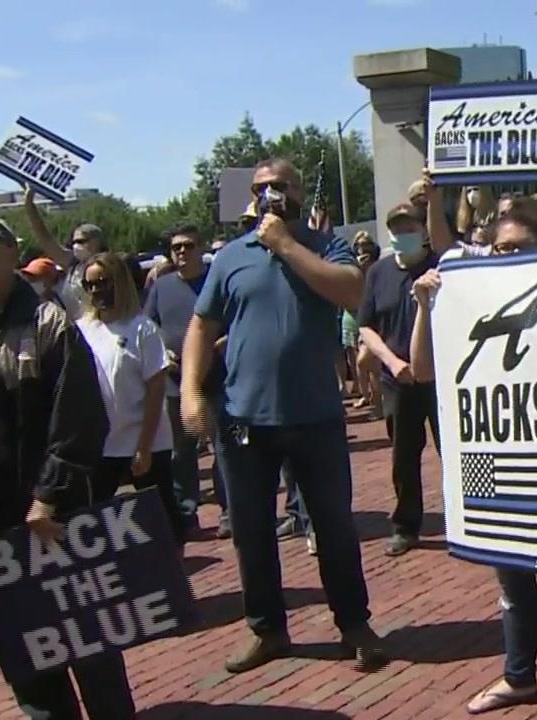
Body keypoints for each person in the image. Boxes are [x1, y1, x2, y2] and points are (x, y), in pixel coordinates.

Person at [179, 158, 385, 673]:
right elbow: (202, 327)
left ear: (297, 194)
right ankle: (266, 629)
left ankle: (354, 624)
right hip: (243, 418)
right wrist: (189, 393)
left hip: (314, 415)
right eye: (262, 187)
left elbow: (351, 292)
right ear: (251, 196)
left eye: (281, 186)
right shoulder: (230, 257)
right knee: (251, 531)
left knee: (333, 526)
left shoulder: (324, 246)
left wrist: (286, 245)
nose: (272, 193)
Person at [0, 215, 136, 718]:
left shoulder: (48, 322)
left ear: (12, 254)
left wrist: (49, 495)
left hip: (45, 520)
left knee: (86, 645)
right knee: (23, 656)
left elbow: (79, 418)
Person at [409, 211, 537, 720]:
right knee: (510, 579)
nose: (509, 256)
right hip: (490, 454)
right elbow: (422, 370)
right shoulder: (464, 299)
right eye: (501, 248)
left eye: (522, 246)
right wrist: (428, 306)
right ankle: (519, 677)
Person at [76, 252, 183, 549]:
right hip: (102, 443)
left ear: (119, 283)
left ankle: (176, 577)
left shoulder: (142, 328)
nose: (97, 290)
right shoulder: (81, 329)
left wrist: (144, 447)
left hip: (144, 439)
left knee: (163, 518)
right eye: (90, 285)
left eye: (103, 282)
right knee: (93, 517)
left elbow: (155, 390)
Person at [359, 200, 442, 557]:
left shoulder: (439, 265)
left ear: (423, 231)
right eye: (397, 230)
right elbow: (366, 326)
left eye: (409, 229)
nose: (402, 236)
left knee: (451, 452)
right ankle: (406, 525)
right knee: (403, 457)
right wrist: (391, 362)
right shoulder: (378, 273)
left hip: (439, 379)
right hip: (399, 379)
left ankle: (466, 518)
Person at [144, 224, 211, 536]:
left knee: (225, 449)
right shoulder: (161, 286)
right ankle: (187, 513)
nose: (182, 252)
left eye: (188, 246)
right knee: (181, 452)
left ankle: (230, 513)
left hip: (217, 376)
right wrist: (161, 351)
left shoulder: (214, 280)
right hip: (175, 382)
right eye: (176, 248)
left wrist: (217, 344)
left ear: (201, 248)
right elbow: (149, 324)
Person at [21, 185, 106, 319]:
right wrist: (29, 206)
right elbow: (45, 239)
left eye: (81, 241)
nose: (76, 246)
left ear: (97, 242)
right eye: (74, 242)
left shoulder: (111, 266)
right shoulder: (73, 265)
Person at [351, 232, 383, 413]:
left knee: (366, 361)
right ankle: (377, 403)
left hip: (376, 321)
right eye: (359, 246)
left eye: (366, 245)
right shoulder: (356, 269)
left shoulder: (378, 268)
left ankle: (380, 403)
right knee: (366, 366)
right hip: (361, 319)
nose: (362, 249)